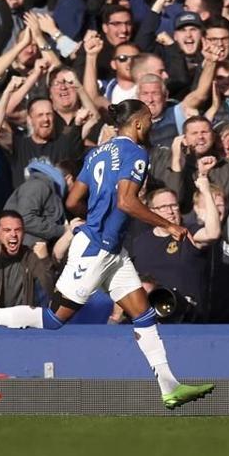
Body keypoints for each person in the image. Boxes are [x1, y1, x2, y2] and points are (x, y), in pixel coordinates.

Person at [39, 100, 214, 410]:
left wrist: (96, 215)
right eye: (148, 120)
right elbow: (127, 202)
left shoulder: (97, 152)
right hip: (96, 248)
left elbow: (73, 201)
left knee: (143, 313)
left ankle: (170, 386)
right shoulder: (136, 153)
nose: (151, 126)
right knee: (54, 320)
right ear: (136, 124)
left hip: (110, 248)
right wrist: (168, 224)